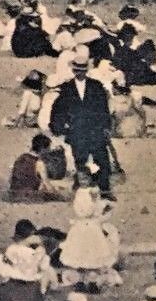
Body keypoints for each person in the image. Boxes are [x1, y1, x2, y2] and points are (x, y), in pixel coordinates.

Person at [43, 49, 116, 196]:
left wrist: (106, 127)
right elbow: (58, 108)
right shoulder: (67, 88)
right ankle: (81, 189)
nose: (79, 73)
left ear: (86, 70)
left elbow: (103, 108)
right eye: (77, 70)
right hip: (77, 130)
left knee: (101, 159)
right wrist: (59, 127)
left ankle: (105, 189)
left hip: (95, 129)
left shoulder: (96, 86)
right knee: (80, 160)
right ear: (73, 70)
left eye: (82, 70)